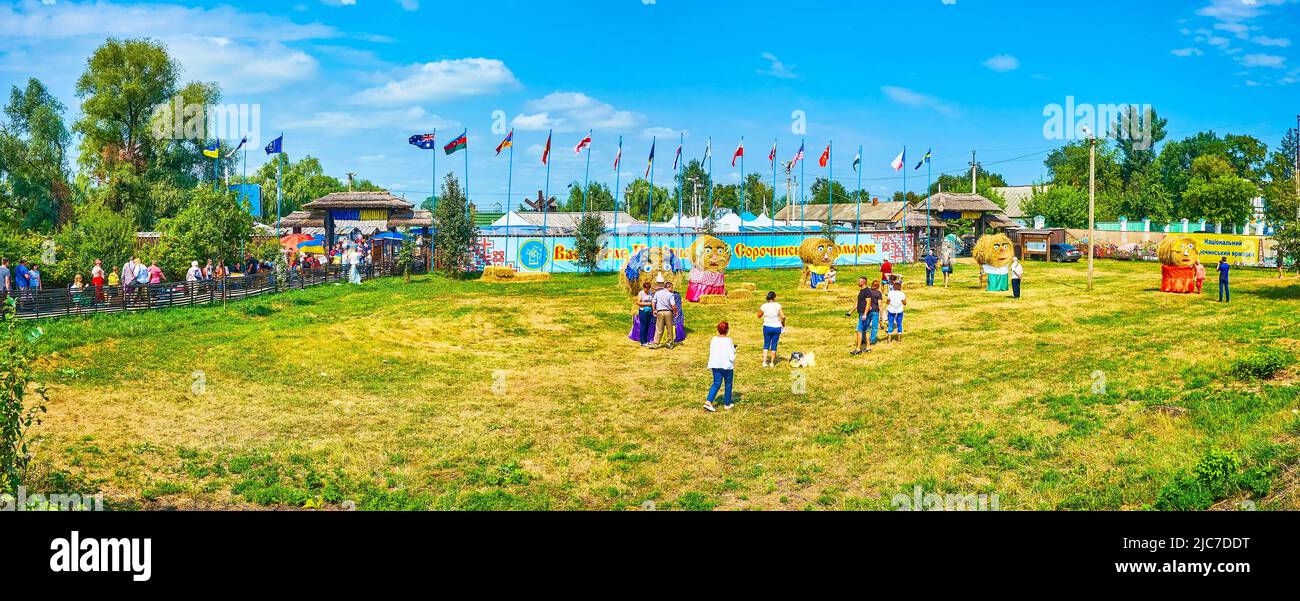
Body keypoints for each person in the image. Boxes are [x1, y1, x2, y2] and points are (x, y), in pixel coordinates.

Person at [703, 321, 736, 412]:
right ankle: (727, 404)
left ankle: (708, 402)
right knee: (728, 384)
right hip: (726, 366)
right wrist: (734, 350)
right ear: (727, 330)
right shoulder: (728, 340)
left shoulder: (714, 339)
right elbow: (731, 356)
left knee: (716, 383)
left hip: (715, 365)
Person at [846, 277, 881, 355]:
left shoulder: (867, 291)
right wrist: (851, 311)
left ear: (863, 282)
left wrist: (865, 314)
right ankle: (868, 348)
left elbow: (868, 303)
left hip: (864, 314)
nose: (858, 282)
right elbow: (858, 302)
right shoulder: (861, 291)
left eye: (859, 281)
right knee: (866, 330)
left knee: (859, 330)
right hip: (862, 313)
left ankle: (858, 349)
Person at [757, 291, 785, 367]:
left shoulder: (764, 306)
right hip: (776, 327)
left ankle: (764, 362)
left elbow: (758, 316)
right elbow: (783, 316)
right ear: (774, 297)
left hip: (767, 326)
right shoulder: (777, 305)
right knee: (774, 345)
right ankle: (772, 363)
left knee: (766, 344)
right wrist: (783, 324)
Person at [650, 278, 677, 349]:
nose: (672, 289)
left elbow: (653, 302)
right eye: (672, 287)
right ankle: (669, 343)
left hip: (660, 312)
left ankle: (655, 343)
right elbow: (673, 305)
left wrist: (654, 310)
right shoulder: (671, 295)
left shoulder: (657, 293)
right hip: (668, 312)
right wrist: (676, 312)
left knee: (659, 328)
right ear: (669, 287)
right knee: (669, 328)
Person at [634, 281, 654, 346]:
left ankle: (646, 340)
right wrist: (647, 304)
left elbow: (653, 301)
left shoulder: (651, 293)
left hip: (649, 311)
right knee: (643, 326)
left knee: (648, 326)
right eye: (646, 288)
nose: (647, 289)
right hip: (643, 311)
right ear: (644, 287)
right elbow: (638, 303)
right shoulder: (641, 293)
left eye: (648, 288)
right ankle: (642, 342)